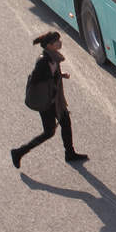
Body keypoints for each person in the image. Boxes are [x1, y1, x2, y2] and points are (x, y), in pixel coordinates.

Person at [11, 31, 88, 167]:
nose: (60, 43)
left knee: (65, 123)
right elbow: (35, 78)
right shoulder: (43, 61)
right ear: (49, 45)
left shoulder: (53, 57)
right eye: (57, 41)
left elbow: (52, 73)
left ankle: (69, 153)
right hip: (47, 103)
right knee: (49, 132)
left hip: (55, 100)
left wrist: (60, 75)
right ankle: (19, 152)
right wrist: (51, 78)